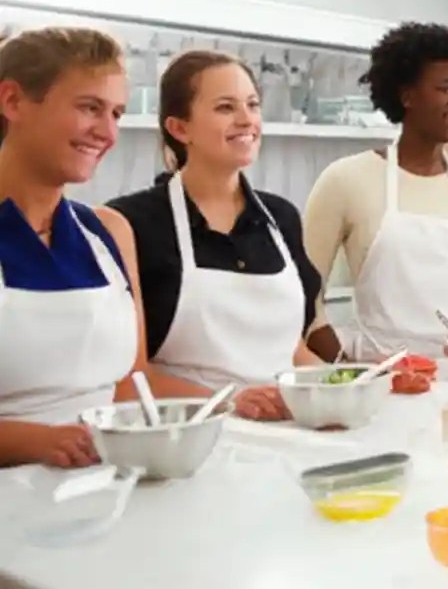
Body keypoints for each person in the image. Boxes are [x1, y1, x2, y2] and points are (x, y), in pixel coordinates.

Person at [0, 27, 202, 468]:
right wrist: (35, 442)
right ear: (12, 101)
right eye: (90, 108)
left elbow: (132, 384)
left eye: (117, 113)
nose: (107, 132)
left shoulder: (109, 233)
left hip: (108, 485)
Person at [109, 51, 323, 420]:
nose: (247, 120)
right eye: (226, 107)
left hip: (294, 428)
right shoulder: (131, 223)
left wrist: (358, 382)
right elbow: (129, 381)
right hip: (190, 439)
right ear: (180, 128)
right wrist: (229, 401)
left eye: (253, 105)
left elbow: (294, 351)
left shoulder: (281, 217)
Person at [304, 23, 448, 360]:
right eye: (446, 88)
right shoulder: (346, 180)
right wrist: (353, 371)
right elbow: (304, 297)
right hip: (376, 384)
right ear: (407, 95)